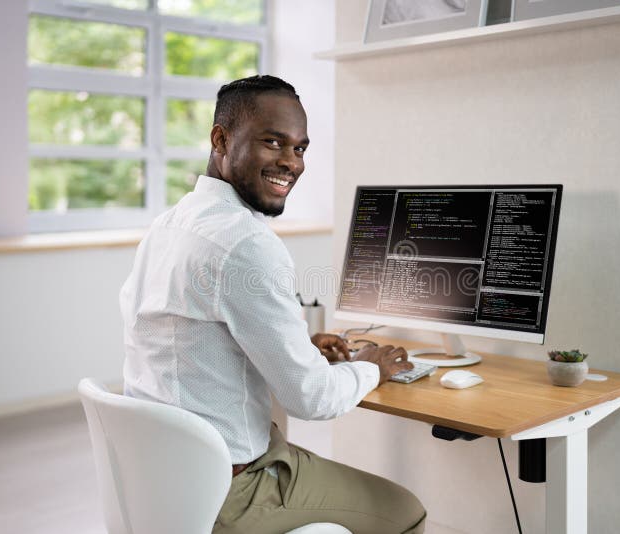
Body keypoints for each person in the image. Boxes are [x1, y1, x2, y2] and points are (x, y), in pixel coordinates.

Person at [119, 75, 426, 534]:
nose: (290, 163)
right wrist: (370, 365)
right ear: (220, 139)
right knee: (406, 512)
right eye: (272, 142)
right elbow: (312, 399)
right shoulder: (245, 242)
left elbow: (190, 342)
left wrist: (300, 348)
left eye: (300, 148)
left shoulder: (168, 224)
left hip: (163, 480)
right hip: (230, 492)